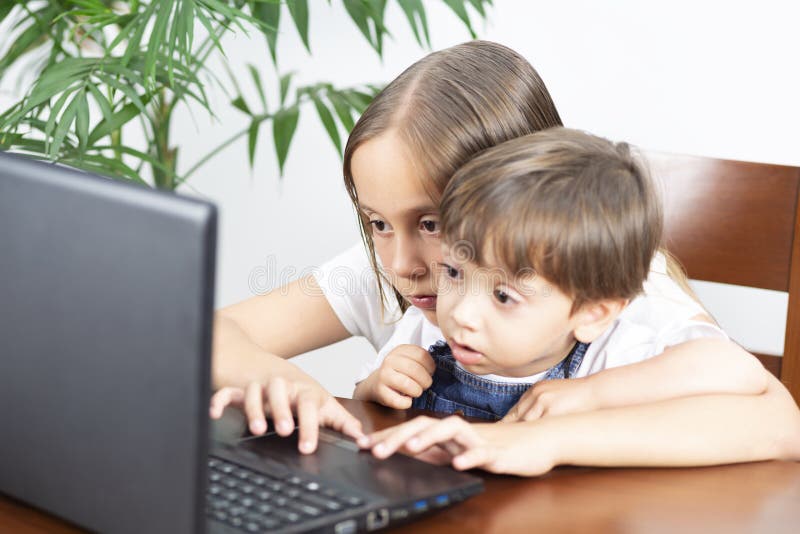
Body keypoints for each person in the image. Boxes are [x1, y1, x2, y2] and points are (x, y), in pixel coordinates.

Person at [209, 41, 799, 457]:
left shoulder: (606, 286)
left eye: (433, 222)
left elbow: (780, 424)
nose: (401, 265)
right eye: (377, 222)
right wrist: (282, 378)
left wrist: (545, 436)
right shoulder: (390, 269)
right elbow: (200, 332)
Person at [357, 128, 800, 474]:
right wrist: (376, 387)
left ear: (593, 314)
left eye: (504, 296)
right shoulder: (429, 326)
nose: (461, 313)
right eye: (453, 272)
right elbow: (367, 404)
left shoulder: (617, 350)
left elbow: (735, 368)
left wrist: (591, 394)